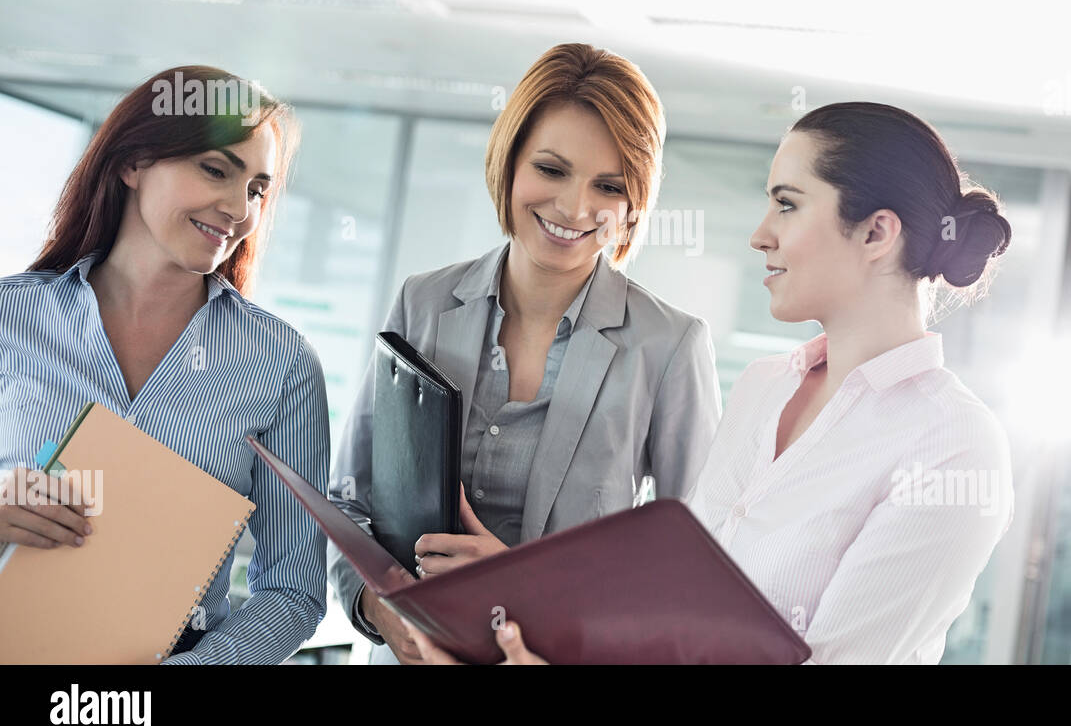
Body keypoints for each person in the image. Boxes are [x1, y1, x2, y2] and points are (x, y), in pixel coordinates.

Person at [402, 100, 1016, 665]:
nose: (761, 234)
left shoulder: (952, 445)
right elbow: (664, 619)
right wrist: (516, 596)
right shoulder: (764, 387)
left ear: (876, 233)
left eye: (788, 203)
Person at [328, 43, 722, 664]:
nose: (574, 209)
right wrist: (378, 612)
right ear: (508, 162)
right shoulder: (424, 303)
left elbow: (690, 577)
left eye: (609, 186)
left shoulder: (668, 346)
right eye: (552, 170)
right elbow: (350, 497)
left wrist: (519, 586)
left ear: (634, 203)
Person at [0, 66, 330, 664]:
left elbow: (293, 589)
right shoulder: (9, 318)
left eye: (258, 188)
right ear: (132, 163)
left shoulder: (281, 365)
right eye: (215, 169)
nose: (239, 208)